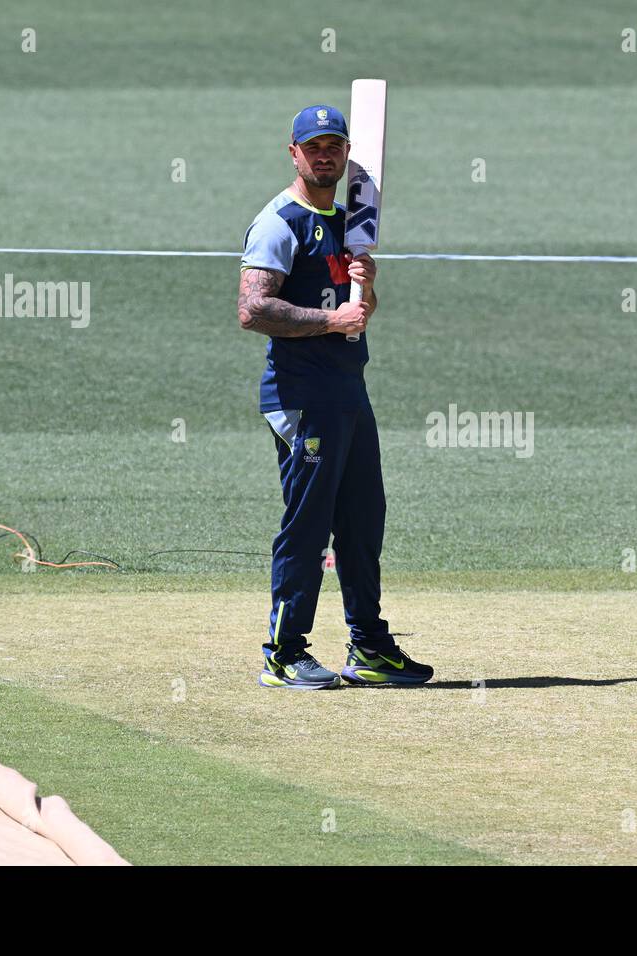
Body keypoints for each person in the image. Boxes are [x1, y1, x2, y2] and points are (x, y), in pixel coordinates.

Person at [236, 103, 432, 690]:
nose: (324, 155)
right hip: (301, 395)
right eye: (313, 146)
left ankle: (369, 645)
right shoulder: (278, 223)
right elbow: (252, 310)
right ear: (293, 152)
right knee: (308, 522)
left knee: (362, 518)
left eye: (334, 146)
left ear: (346, 153)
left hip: (349, 390)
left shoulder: (349, 222)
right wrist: (331, 319)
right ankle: (284, 651)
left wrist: (365, 293)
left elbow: (359, 316)